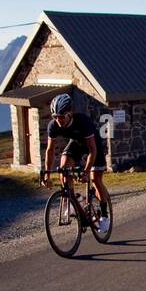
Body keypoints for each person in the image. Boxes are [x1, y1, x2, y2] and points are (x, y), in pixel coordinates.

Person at [42, 93, 109, 231]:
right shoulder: (53, 126)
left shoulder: (82, 121)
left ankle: (104, 214)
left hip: (93, 146)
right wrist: (47, 174)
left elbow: (92, 150)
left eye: (61, 117)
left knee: (95, 179)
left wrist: (85, 171)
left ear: (70, 113)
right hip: (77, 144)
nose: (58, 120)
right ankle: (71, 201)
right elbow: (50, 150)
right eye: (55, 117)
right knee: (63, 168)